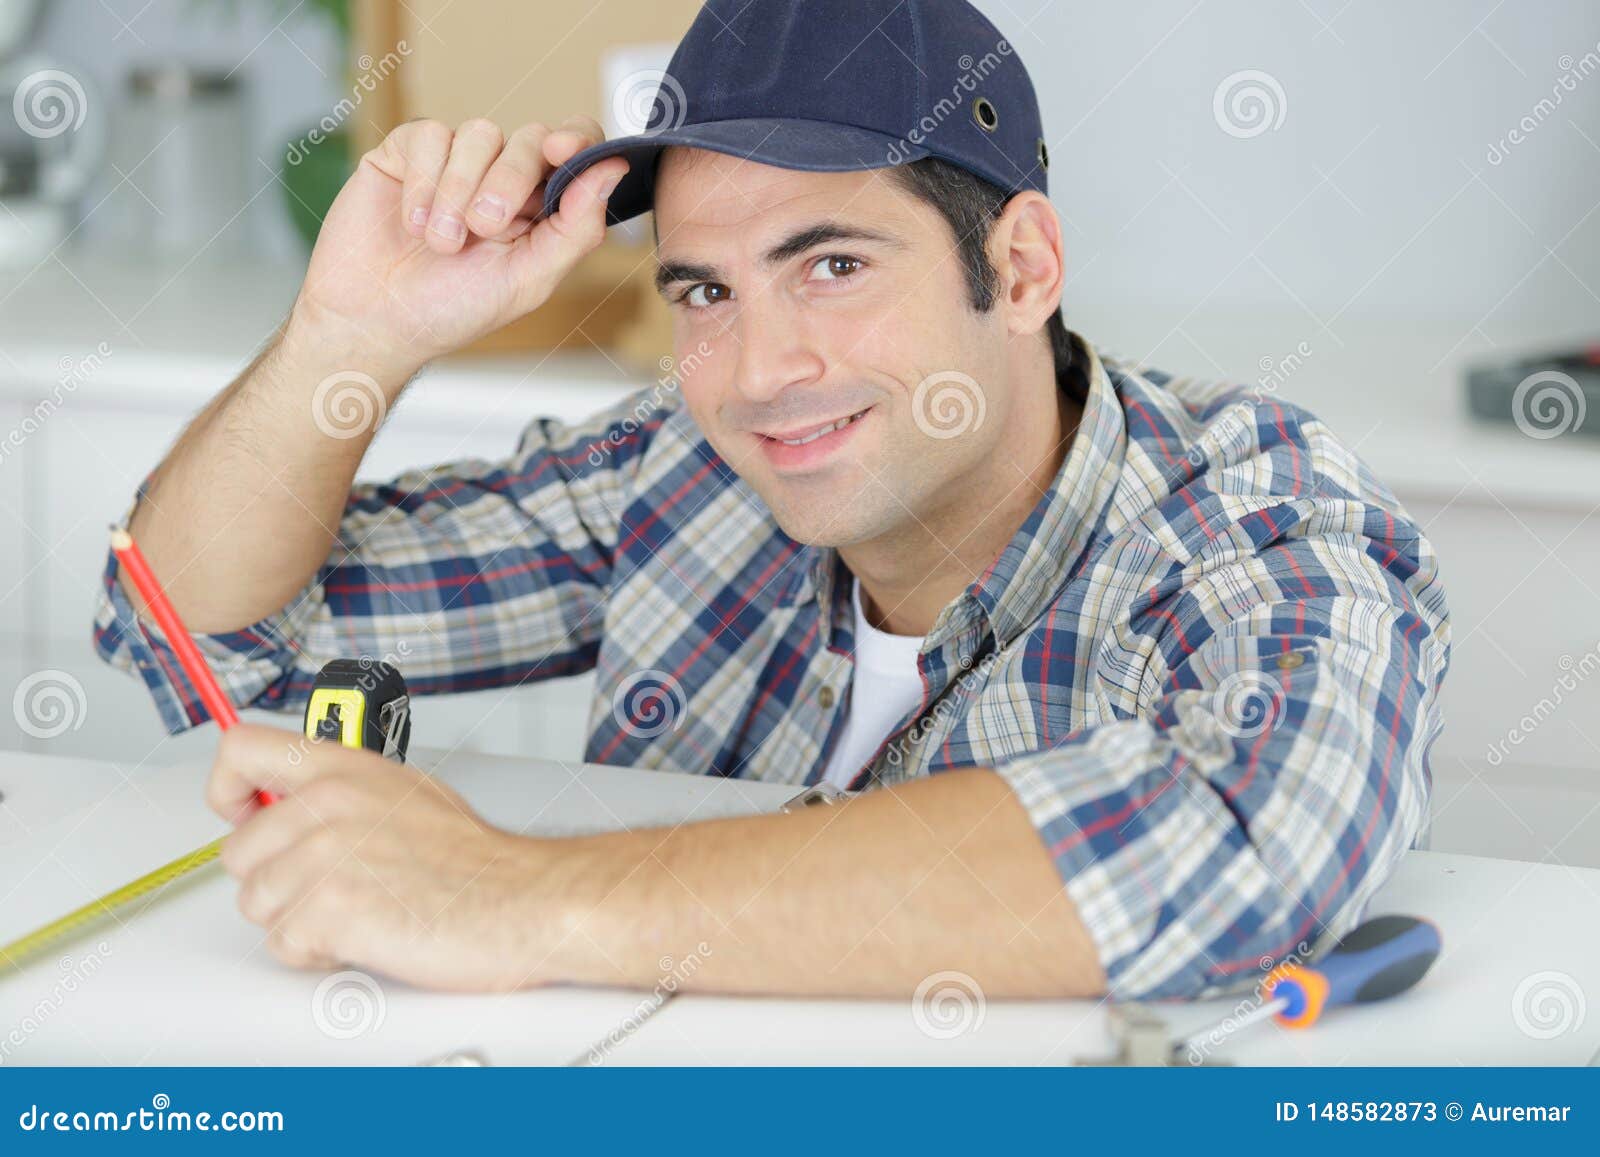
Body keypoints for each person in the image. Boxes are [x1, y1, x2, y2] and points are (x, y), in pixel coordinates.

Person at [92, 0, 1450, 1001]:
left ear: (1024, 265)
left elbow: (1243, 836)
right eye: (703, 291)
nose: (760, 374)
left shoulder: (1253, 505)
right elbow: (195, 622)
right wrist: (349, 335)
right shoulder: (677, 470)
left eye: (834, 265)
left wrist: (517, 897)